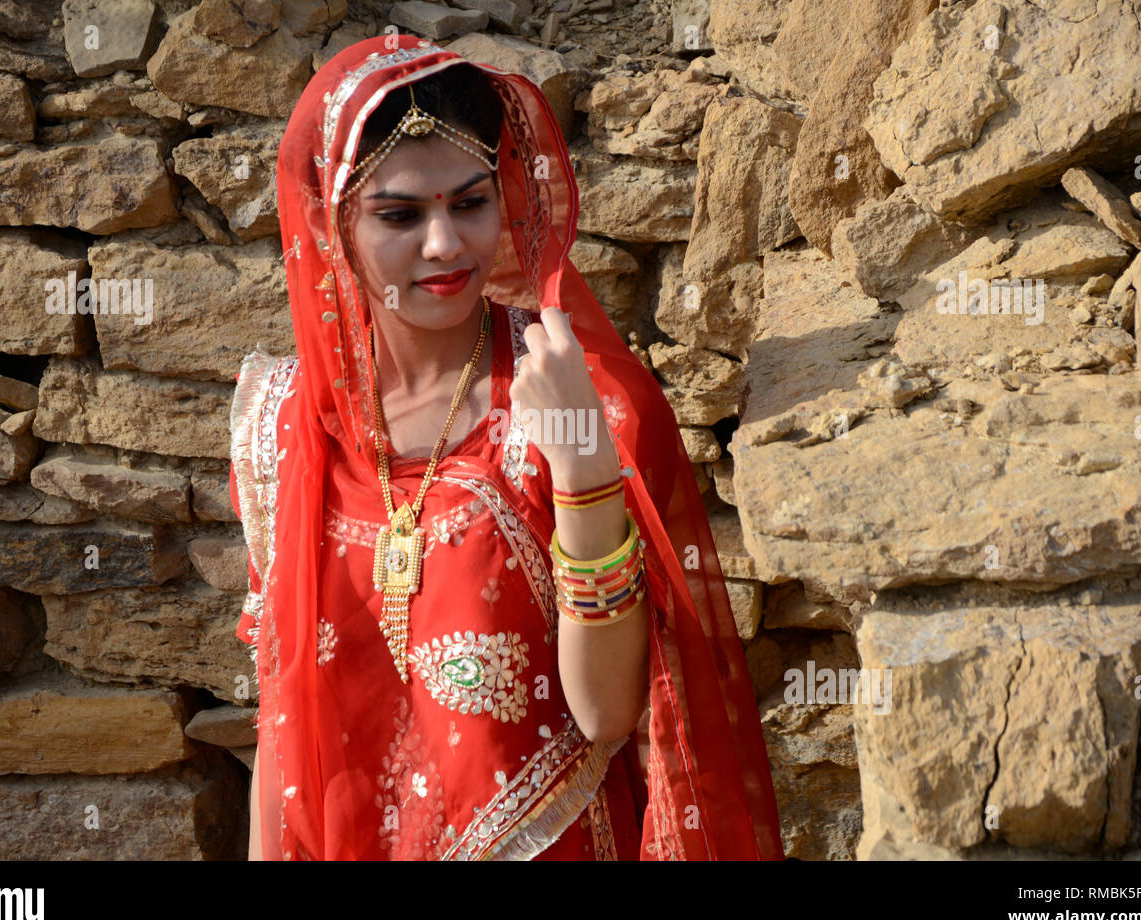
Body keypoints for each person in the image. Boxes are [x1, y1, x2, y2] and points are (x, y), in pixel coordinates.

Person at [228, 33, 784, 860]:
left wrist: (586, 465)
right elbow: (283, 719)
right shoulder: (280, 424)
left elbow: (606, 712)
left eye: (470, 202)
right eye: (400, 214)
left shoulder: (573, 395)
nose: (446, 244)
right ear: (331, 223)